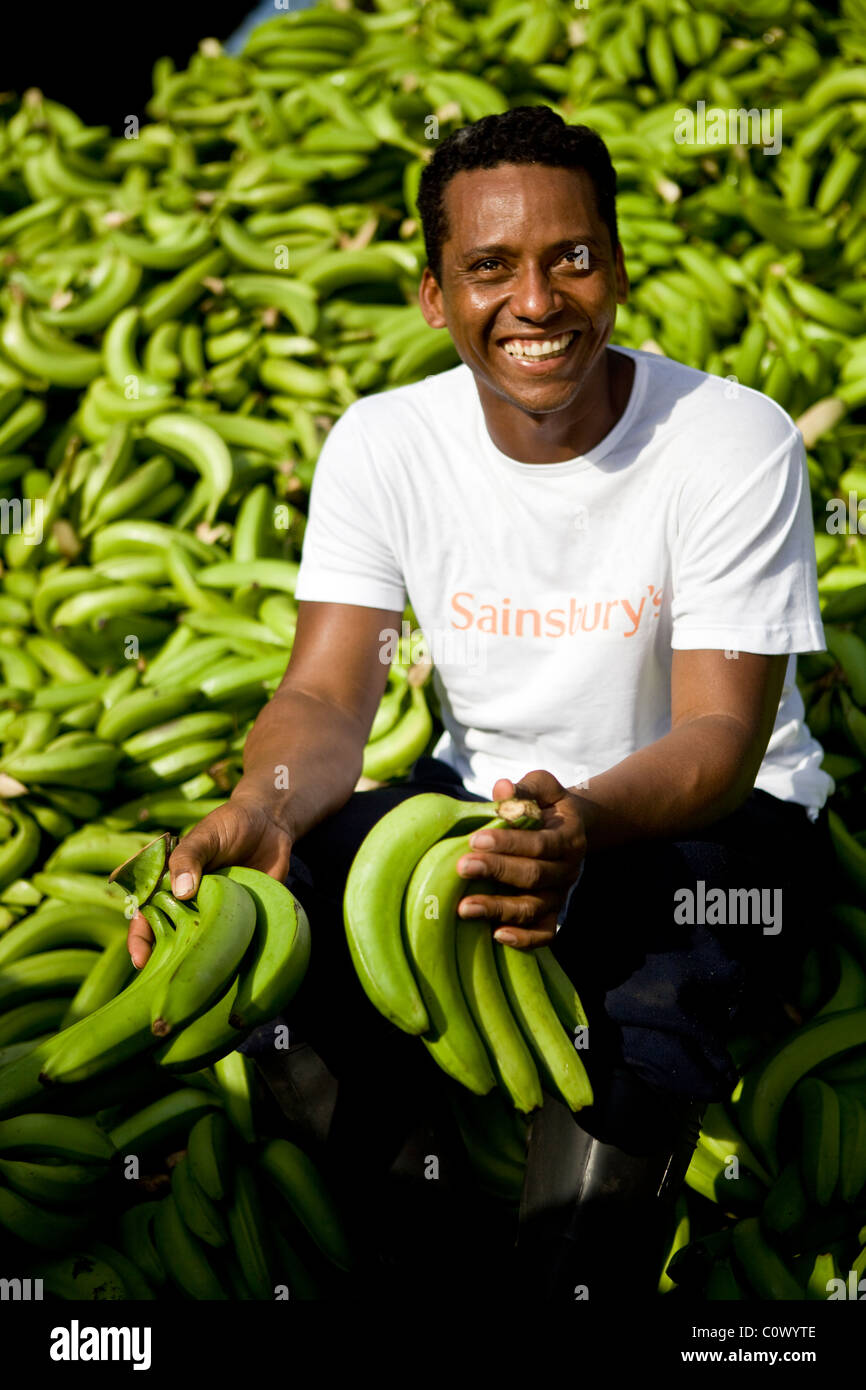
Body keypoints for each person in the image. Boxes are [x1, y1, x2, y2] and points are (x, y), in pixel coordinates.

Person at [127, 106, 834, 1300]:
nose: (536, 302)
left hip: (699, 818)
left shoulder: (729, 440)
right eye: (489, 268)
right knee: (278, 923)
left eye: (569, 258)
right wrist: (269, 805)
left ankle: (569, 1267)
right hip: (473, 809)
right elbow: (322, 692)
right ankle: (425, 1251)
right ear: (431, 295)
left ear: (614, 262)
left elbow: (720, 736)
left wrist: (586, 829)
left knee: (648, 986)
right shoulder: (383, 444)